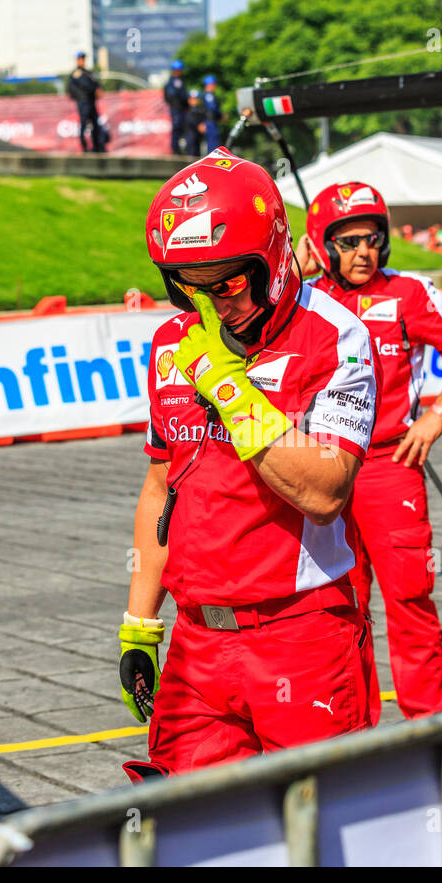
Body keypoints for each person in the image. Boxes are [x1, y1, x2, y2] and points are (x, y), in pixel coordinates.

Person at [119, 148, 380, 781]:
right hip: (197, 640)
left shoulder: (335, 334)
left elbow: (324, 490)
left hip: (301, 634)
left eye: (229, 283)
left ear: (275, 257)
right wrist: (139, 624)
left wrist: (227, 384)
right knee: (191, 826)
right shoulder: (170, 343)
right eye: (187, 286)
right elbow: (160, 486)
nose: (210, 305)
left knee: (319, 828)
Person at [296, 182, 442, 718]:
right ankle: (351, 728)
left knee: (409, 598)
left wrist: (436, 416)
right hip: (324, 468)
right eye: (348, 241)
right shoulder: (302, 297)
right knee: (339, 603)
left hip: (389, 466)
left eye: (373, 239)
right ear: (322, 243)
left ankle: (428, 726)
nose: (364, 252)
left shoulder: (410, 292)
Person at [68, 51, 104, 153]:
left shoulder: (88, 73)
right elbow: (83, 86)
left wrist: (98, 89)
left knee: (95, 125)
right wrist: (93, 90)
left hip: (91, 102)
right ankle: (84, 147)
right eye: (80, 59)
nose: (82, 61)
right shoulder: (76, 74)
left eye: (83, 59)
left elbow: (96, 84)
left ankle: (96, 146)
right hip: (83, 102)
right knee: (84, 124)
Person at [164, 60, 188, 156]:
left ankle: (177, 148)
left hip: (177, 108)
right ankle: (175, 149)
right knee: (177, 128)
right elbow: (180, 96)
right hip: (177, 109)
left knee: (179, 128)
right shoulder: (176, 81)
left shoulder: (173, 81)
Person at [201, 75, 223, 153]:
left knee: (214, 144)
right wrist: (221, 116)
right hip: (210, 122)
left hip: (211, 122)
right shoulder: (208, 95)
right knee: (213, 146)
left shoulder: (208, 95)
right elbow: (212, 109)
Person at [183, 91, 206, 157]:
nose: (194, 101)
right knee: (191, 153)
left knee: (198, 152)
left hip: (197, 135)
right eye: (192, 99)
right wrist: (198, 126)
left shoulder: (200, 109)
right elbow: (190, 120)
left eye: (196, 99)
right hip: (190, 134)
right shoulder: (187, 109)